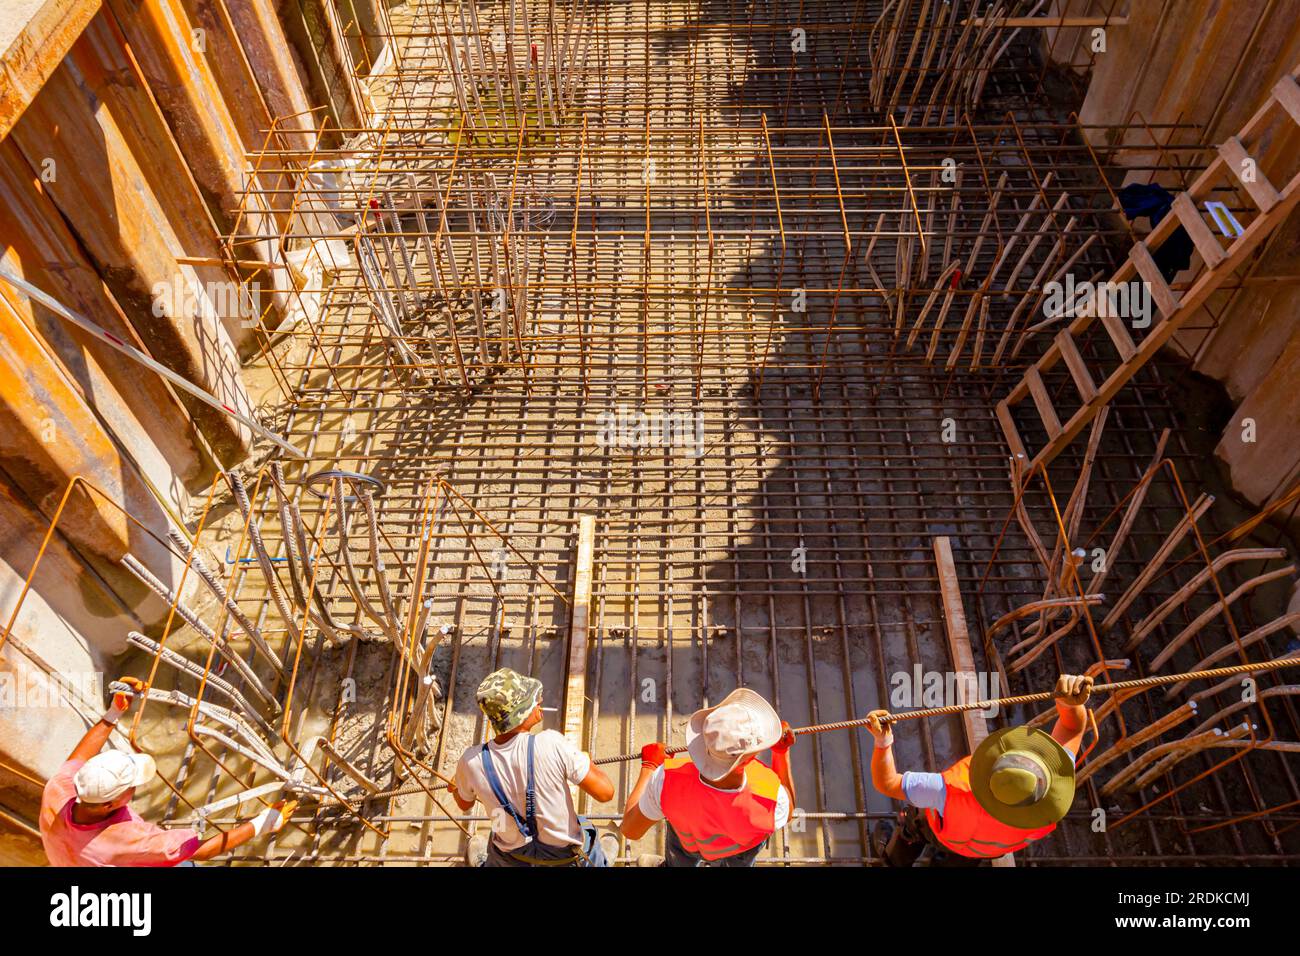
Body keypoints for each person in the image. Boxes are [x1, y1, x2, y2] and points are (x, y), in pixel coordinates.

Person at [40, 677, 294, 866]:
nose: (135, 788)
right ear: (110, 804)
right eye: (131, 787)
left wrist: (114, 712)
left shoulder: (58, 792)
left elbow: (79, 756)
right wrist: (264, 822)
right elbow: (202, 850)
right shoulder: (128, 838)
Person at [866, 673, 1093, 866]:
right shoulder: (1048, 805)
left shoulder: (947, 791)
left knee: (913, 823)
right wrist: (1070, 705)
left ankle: (893, 859)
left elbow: (886, 783)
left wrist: (882, 740)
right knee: (962, 860)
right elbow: (1072, 728)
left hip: (941, 830)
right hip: (979, 850)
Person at [449, 667, 615, 866]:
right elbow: (605, 792)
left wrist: (456, 788)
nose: (540, 701)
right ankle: (599, 861)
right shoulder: (551, 743)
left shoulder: (471, 761)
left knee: (498, 836)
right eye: (532, 700)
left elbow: (464, 804)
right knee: (586, 830)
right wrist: (583, 761)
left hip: (513, 857)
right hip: (564, 858)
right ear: (518, 714)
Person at [619, 687, 796, 867]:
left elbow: (630, 829)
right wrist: (781, 753)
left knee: (679, 857)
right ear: (747, 759)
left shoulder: (667, 778)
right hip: (741, 848)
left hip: (688, 842)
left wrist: (650, 767)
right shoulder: (771, 795)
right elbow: (788, 810)